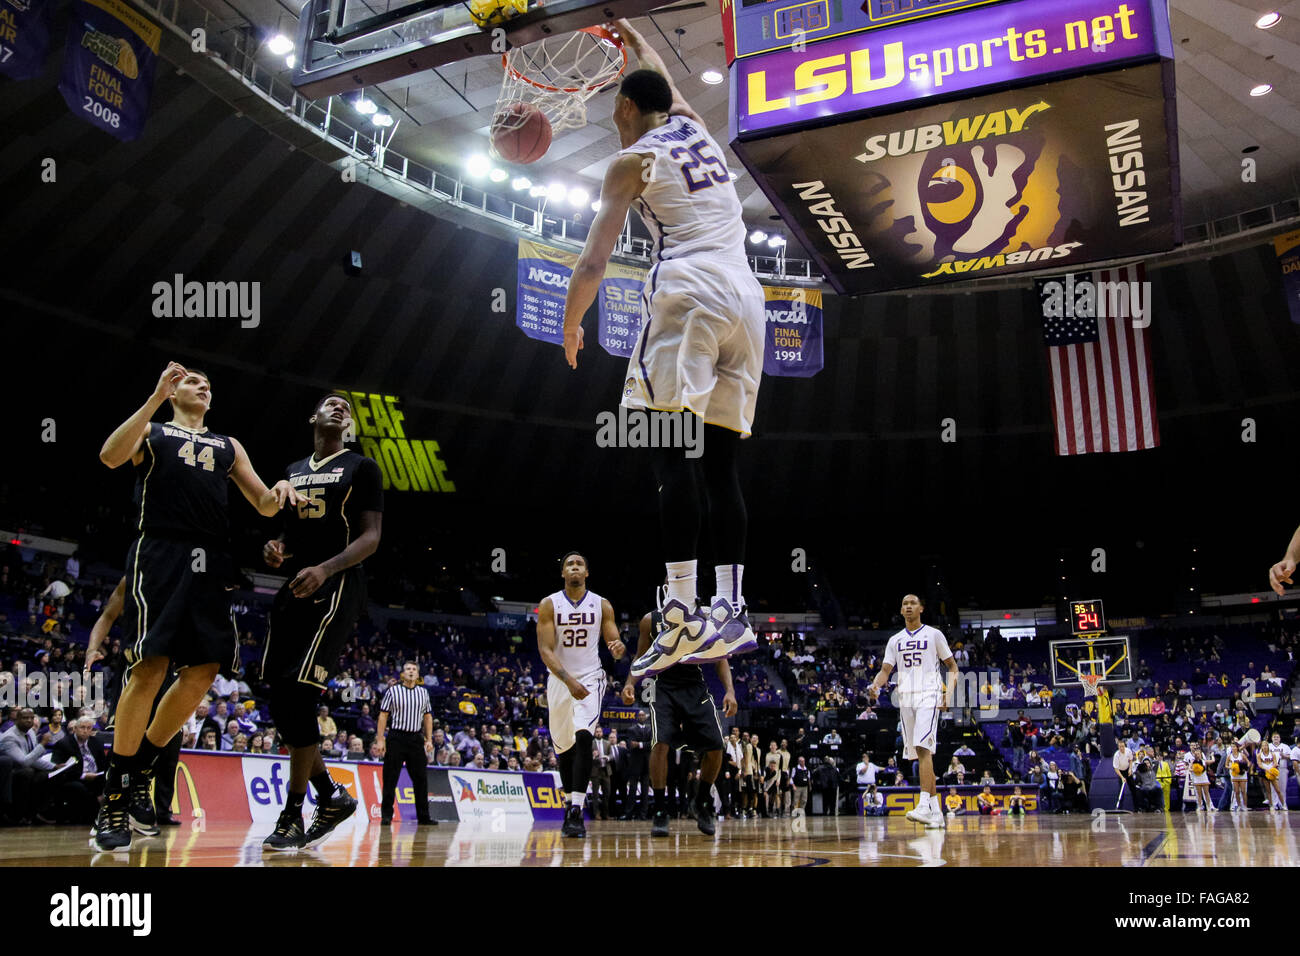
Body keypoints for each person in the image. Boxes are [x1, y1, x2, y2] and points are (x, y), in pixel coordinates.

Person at [560, 18, 764, 676]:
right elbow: (664, 80)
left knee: (673, 453)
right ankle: (729, 610)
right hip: (748, 303)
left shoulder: (631, 160)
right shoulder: (692, 128)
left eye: (612, 111)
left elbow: (593, 263)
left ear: (624, 109)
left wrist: (571, 322)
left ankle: (677, 615)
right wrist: (626, 37)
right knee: (720, 463)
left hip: (690, 296)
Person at [92, 363, 299, 851]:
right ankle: (116, 796)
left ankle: (139, 767)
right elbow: (108, 456)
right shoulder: (154, 428)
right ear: (173, 391)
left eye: (208, 385)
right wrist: (153, 396)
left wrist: (281, 491)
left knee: (204, 671)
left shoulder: (229, 445)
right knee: (150, 667)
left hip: (212, 560)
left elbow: (264, 504)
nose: (203, 387)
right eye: (193, 381)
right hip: (159, 553)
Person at [259, 393, 383, 852]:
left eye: (346, 409)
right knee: (277, 692)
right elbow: (287, 535)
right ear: (313, 417)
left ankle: (293, 813)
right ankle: (330, 794)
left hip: (339, 585)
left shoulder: (362, 467)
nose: (340, 409)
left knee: (300, 692)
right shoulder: (292, 471)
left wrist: (326, 569)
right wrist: (274, 548)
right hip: (297, 581)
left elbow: (372, 537)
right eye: (331, 404)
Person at [623, 605, 735, 836]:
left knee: (716, 746)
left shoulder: (702, 617)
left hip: (694, 685)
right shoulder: (650, 619)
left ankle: (702, 802)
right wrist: (629, 684)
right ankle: (661, 811)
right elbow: (641, 657)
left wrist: (730, 691)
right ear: (666, 588)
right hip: (662, 686)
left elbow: (720, 657)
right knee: (660, 743)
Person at [535, 552, 626, 837]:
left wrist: (618, 647)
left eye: (579, 565)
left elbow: (613, 637)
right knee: (564, 749)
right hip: (560, 680)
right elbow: (546, 650)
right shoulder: (549, 604)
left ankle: (576, 810)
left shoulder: (602, 604)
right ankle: (568, 804)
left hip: (590, 678)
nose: (574, 568)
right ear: (563, 573)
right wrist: (567, 680)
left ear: (587, 572)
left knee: (584, 736)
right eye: (569, 565)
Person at [84, 577, 184, 827]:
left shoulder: (187, 573)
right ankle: (111, 807)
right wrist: (91, 649)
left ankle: (156, 807)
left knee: (170, 743)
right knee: (128, 740)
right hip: (136, 662)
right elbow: (107, 615)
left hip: (168, 666)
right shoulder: (137, 573)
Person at [868, 594, 958, 829]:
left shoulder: (934, 634)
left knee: (922, 746)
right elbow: (885, 671)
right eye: (904, 604)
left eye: (912, 603)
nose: (908, 606)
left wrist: (949, 694)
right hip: (905, 698)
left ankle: (924, 804)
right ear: (901, 610)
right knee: (920, 753)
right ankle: (937, 812)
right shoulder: (895, 640)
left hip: (929, 693)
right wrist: (876, 686)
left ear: (921, 608)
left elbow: (953, 667)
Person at [375, 662, 436, 826]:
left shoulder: (423, 693)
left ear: (418, 675)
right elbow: (383, 715)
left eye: (414, 669)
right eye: (408, 669)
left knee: (421, 779)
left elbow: (428, 717)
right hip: (396, 737)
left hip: (416, 738)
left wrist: (429, 739)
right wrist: (380, 739)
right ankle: (386, 815)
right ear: (402, 674)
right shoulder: (393, 691)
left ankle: (424, 817)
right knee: (390, 778)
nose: (411, 671)